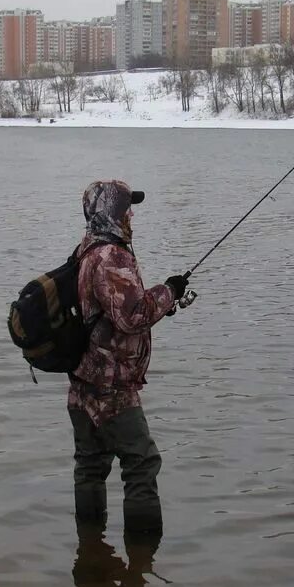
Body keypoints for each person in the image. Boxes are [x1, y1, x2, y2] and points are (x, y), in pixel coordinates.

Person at [68, 180, 189, 537]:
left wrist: (157, 304)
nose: (131, 214)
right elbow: (132, 316)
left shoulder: (86, 250)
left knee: (90, 465)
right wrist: (170, 291)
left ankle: (91, 552)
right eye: (125, 207)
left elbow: (113, 312)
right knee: (142, 463)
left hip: (83, 382)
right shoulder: (112, 256)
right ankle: (143, 562)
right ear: (109, 211)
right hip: (111, 386)